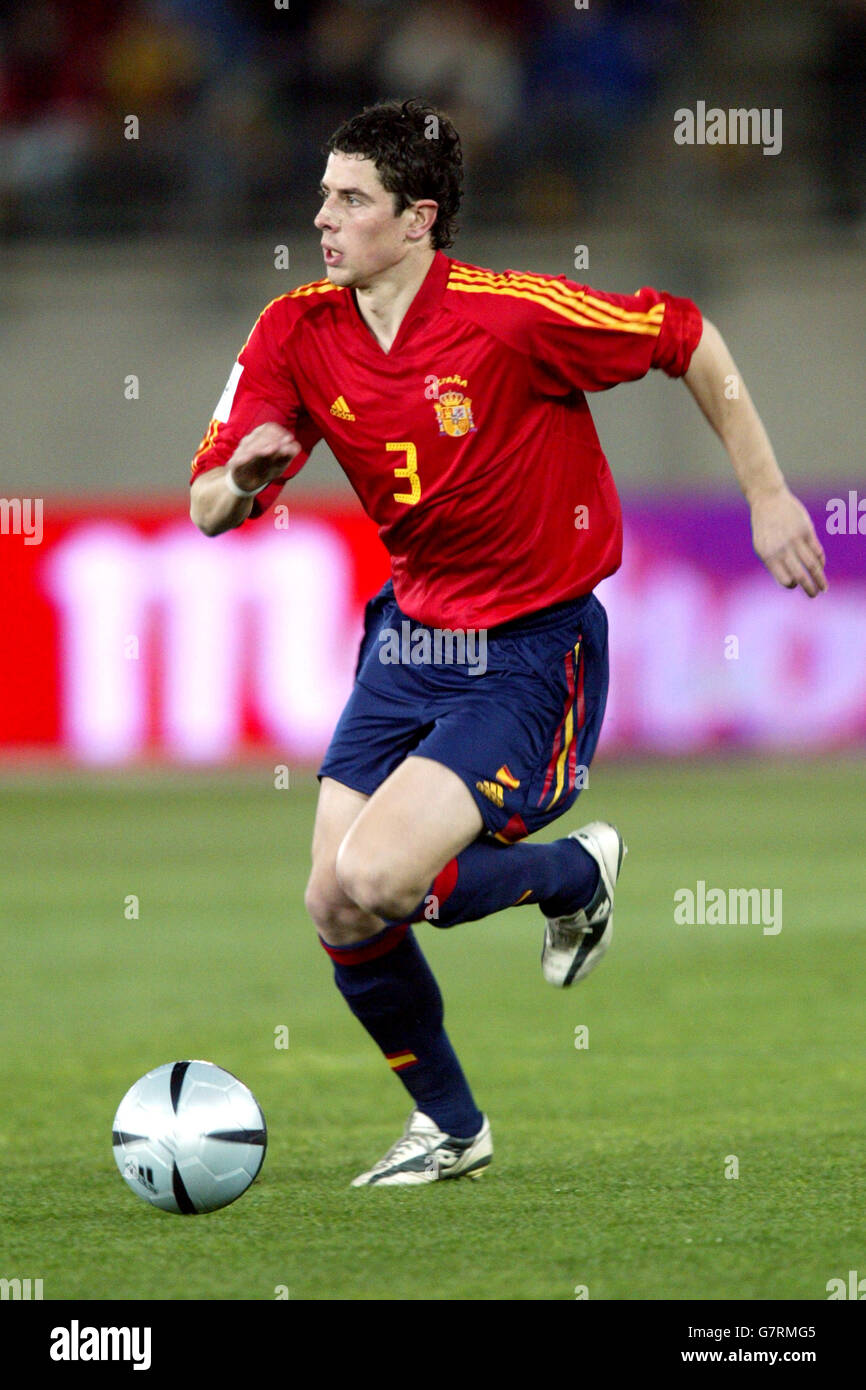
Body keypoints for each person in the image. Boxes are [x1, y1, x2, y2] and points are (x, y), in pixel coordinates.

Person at [189, 98, 827, 1187]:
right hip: (409, 637)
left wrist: (766, 494)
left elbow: (686, 336)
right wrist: (244, 481)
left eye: (351, 199)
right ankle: (450, 1127)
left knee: (383, 875)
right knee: (334, 900)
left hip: (530, 647)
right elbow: (205, 505)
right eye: (325, 193)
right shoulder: (291, 329)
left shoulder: (509, 316)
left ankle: (571, 871)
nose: (323, 217)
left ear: (417, 218)